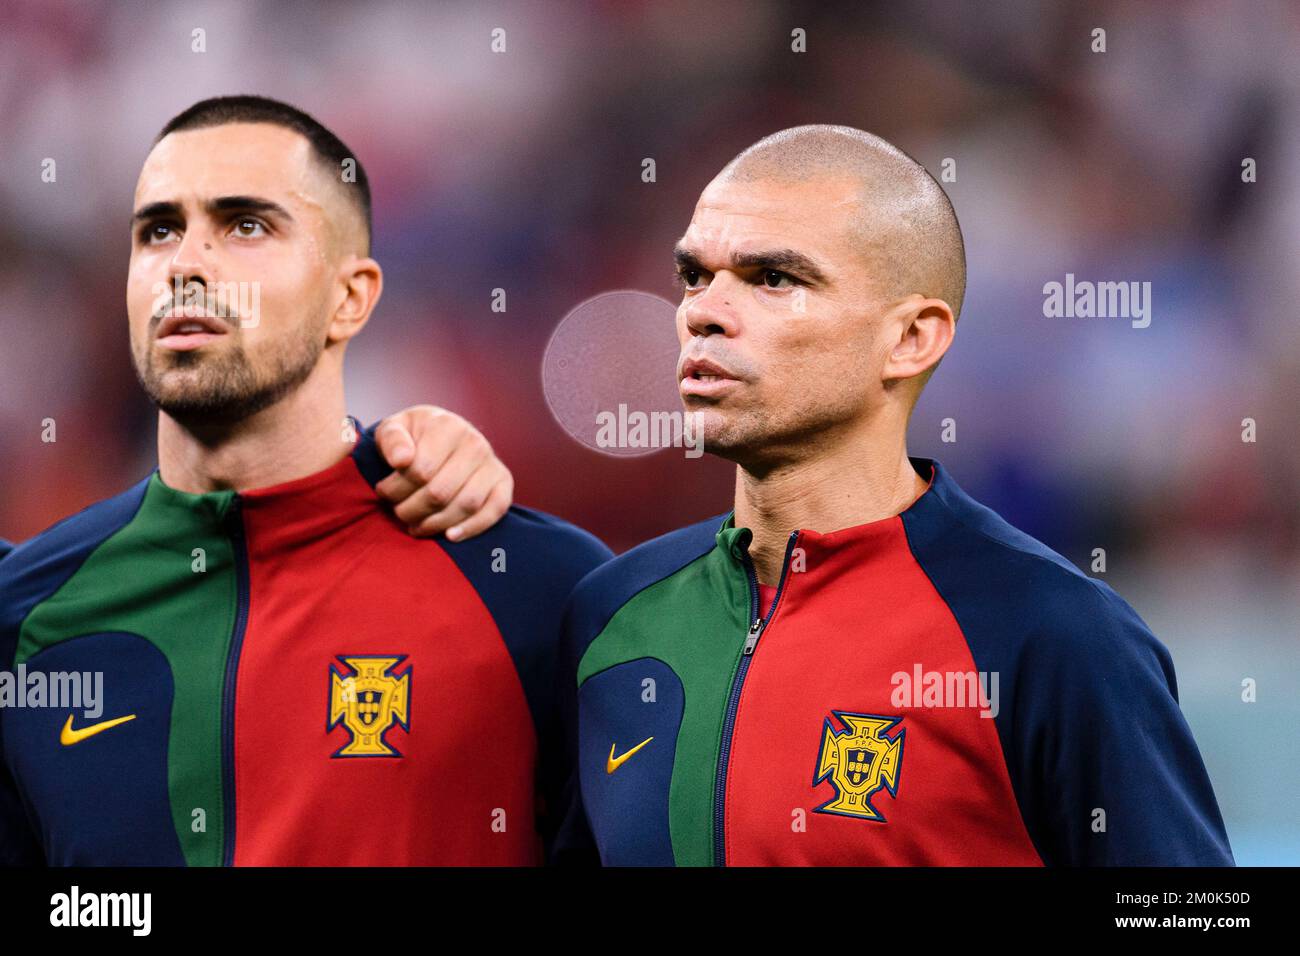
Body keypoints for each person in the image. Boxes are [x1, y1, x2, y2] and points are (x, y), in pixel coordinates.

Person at [552, 125, 1234, 866]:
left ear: (911, 336)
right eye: (695, 274)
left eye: (773, 279)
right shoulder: (612, 618)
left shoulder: (1048, 634)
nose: (702, 312)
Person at [0, 95, 609, 866]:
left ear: (349, 298)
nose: (186, 263)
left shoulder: (535, 589)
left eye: (246, 225)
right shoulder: (26, 617)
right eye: (158, 231)